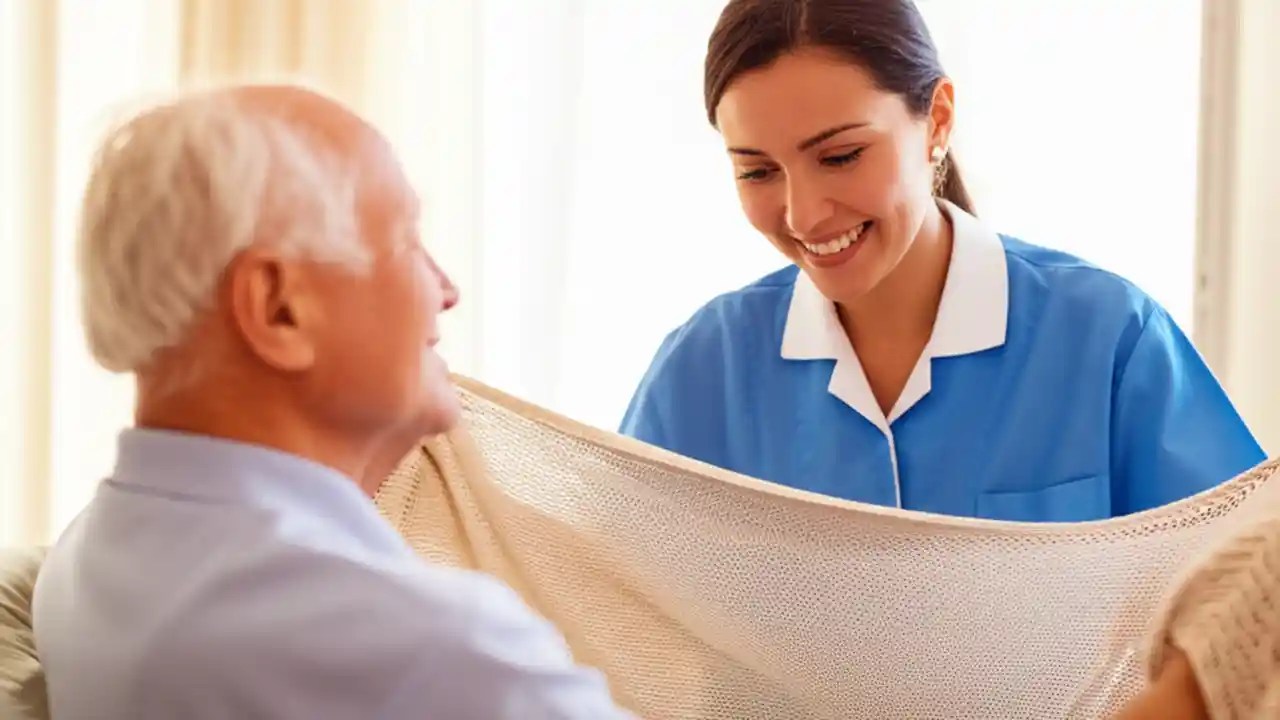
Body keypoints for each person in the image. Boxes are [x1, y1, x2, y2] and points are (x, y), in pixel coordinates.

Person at [32, 84, 633, 719]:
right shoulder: (428, 649)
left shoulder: (83, 561)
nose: (446, 289)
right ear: (278, 309)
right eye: (405, 240)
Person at [620, 0, 1265, 522]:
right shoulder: (700, 375)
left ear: (937, 122)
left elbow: (1248, 598)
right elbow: (607, 612)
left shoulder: (1109, 341)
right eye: (758, 171)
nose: (803, 214)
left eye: (841, 156)